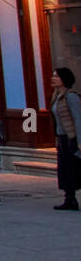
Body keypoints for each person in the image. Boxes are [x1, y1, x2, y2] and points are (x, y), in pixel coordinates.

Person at [50, 68, 81, 211]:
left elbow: (78, 119)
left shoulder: (71, 97)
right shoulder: (56, 96)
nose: (53, 78)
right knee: (65, 169)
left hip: (71, 137)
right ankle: (69, 199)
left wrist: (79, 141)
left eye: (56, 76)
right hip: (62, 138)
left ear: (63, 79)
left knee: (74, 168)